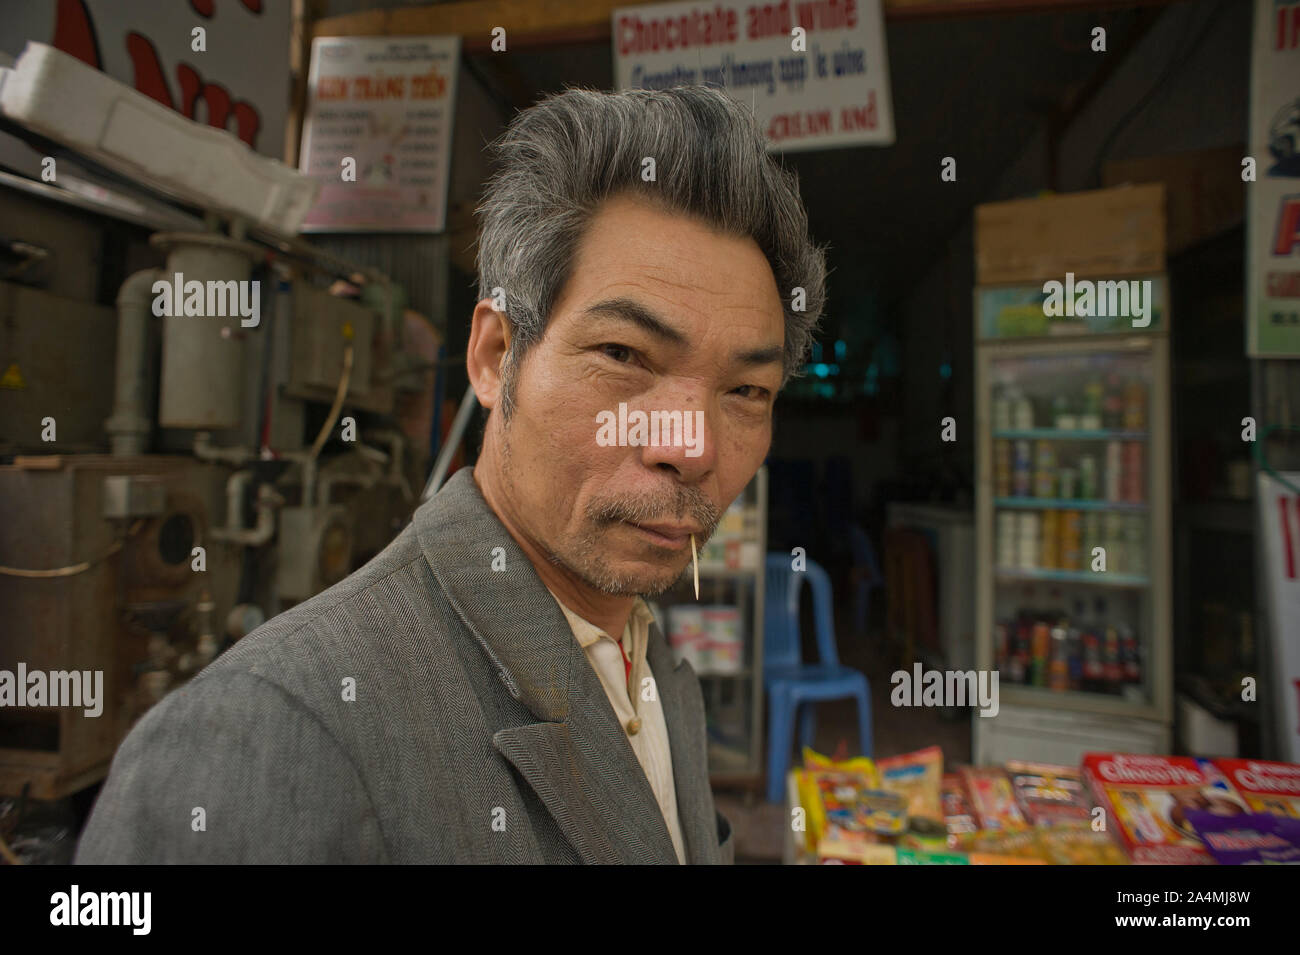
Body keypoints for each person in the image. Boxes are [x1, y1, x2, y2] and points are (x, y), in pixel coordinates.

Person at [75, 84, 827, 864]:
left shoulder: (652, 662)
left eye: (745, 391)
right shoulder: (266, 732)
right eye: (623, 356)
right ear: (496, 356)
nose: (693, 447)